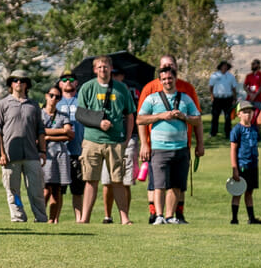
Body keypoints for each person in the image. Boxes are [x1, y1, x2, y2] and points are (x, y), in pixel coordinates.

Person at [134, 57, 200, 222]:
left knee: (177, 185)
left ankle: (171, 216)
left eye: (170, 78)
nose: (167, 81)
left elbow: (197, 119)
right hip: (159, 147)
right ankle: (158, 215)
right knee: (159, 184)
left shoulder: (186, 97)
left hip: (181, 147)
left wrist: (184, 117)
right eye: (164, 79)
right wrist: (160, 116)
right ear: (160, 80)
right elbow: (140, 119)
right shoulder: (152, 97)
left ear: (175, 78)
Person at [76, 56, 137, 224]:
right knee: (90, 180)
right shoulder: (87, 88)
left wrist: (127, 138)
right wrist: (98, 122)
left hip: (115, 141)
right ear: (95, 70)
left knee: (118, 180)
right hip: (92, 140)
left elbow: (130, 115)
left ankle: (124, 218)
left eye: (106, 67)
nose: (103, 69)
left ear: (111, 68)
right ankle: (85, 218)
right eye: (99, 67)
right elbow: (80, 114)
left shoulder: (121, 89)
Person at [0, 72, 47, 222]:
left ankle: (41, 218)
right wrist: (2, 154)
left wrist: (43, 151)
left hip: (32, 155)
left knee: (36, 191)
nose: (19, 83)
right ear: (11, 84)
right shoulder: (3, 104)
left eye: (22, 80)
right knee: (13, 192)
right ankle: (18, 218)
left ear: (26, 84)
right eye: (15, 80)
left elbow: (40, 131)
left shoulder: (34, 105)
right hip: (11, 156)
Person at [41, 73, 82, 223]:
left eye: (56, 97)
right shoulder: (40, 113)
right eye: (51, 96)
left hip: (70, 153)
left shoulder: (70, 109)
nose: (54, 99)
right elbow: (38, 132)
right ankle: (43, 216)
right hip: (46, 155)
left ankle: (73, 219)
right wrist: (59, 132)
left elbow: (69, 134)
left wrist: (47, 135)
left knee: (64, 189)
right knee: (47, 188)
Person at [228, 102, 261, 223]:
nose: (248, 114)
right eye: (245, 112)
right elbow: (233, 149)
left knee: (249, 192)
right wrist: (235, 168)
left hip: (253, 164)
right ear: (239, 114)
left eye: (250, 112)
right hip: (242, 165)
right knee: (238, 191)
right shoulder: (237, 130)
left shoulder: (254, 128)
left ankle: (251, 218)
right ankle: (234, 218)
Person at [208, 60, 239, 142]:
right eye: (223, 66)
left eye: (226, 66)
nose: (224, 67)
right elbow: (211, 86)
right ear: (220, 66)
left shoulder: (231, 76)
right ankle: (213, 132)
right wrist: (212, 95)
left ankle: (228, 133)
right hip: (217, 98)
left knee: (228, 117)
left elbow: (234, 88)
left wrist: (234, 98)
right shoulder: (215, 75)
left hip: (227, 98)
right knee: (215, 116)